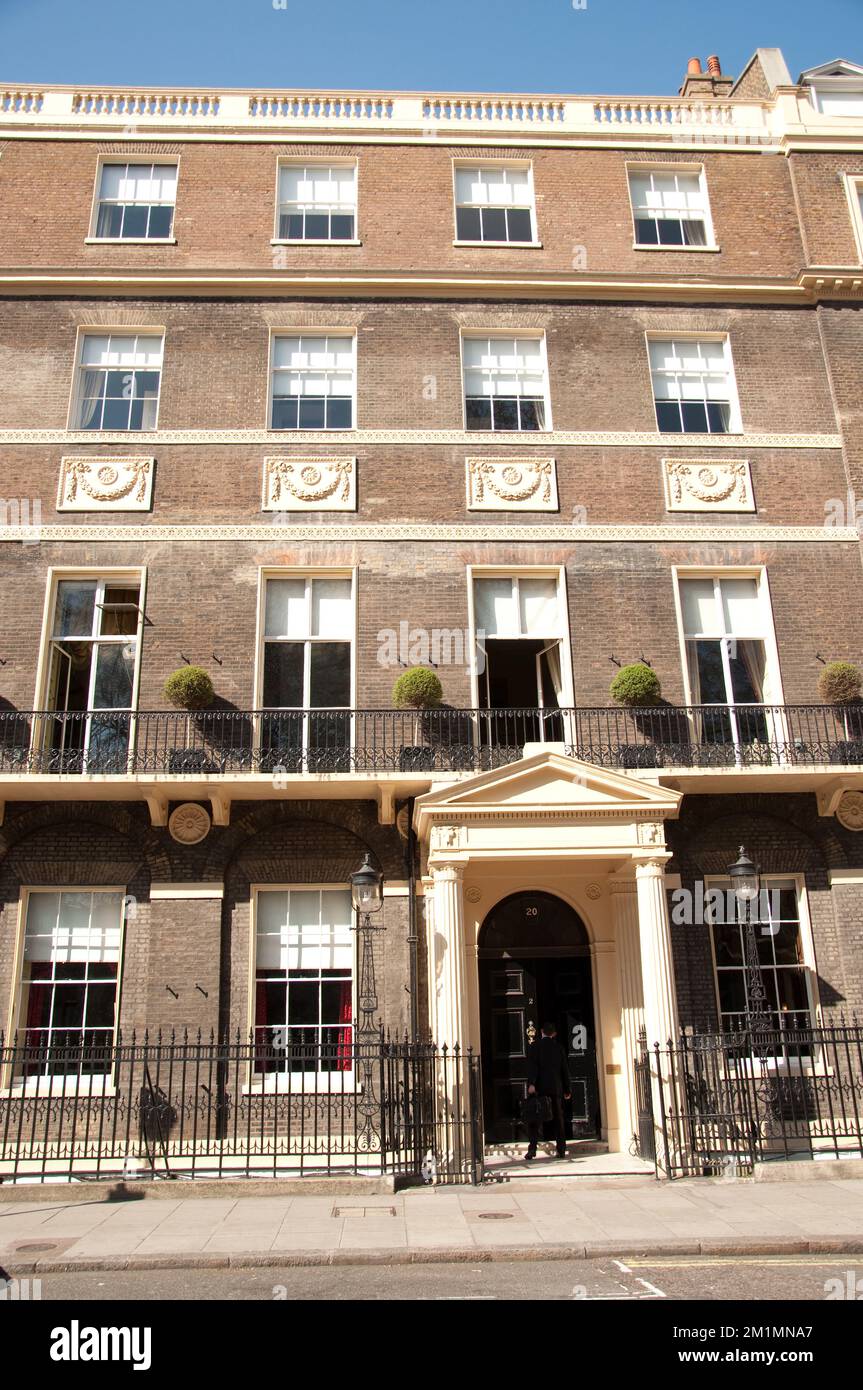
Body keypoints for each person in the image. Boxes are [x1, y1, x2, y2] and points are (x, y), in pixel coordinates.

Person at [525, 1021, 571, 1160]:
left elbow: (533, 1067)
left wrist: (531, 1083)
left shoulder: (535, 1047)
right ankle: (561, 1150)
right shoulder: (559, 1048)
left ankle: (532, 1149)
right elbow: (565, 1070)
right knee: (558, 1119)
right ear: (554, 1034)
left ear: (541, 1032)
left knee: (535, 1120)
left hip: (539, 1087)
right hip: (555, 1088)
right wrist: (567, 1089)